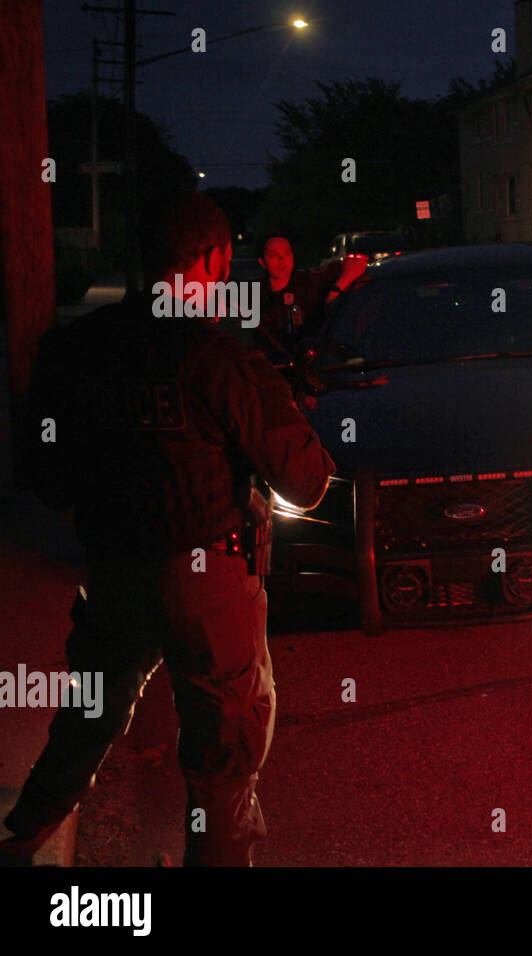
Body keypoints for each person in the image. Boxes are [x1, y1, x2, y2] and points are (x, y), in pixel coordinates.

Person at [2, 192, 336, 866]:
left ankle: (24, 833)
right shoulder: (221, 362)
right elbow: (308, 479)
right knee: (222, 757)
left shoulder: (73, 352)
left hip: (115, 569)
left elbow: (47, 477)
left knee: (90, 709)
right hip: (208, 580)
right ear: (213, 261)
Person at [255, 233, 367, 362]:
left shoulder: (310, 281)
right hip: (272, 368)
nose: (282, 260)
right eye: (274, 255)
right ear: (262, 262)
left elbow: (356, 264)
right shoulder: (255, 293)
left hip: (313, 364)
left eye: (287, 254)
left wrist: (334, 293)